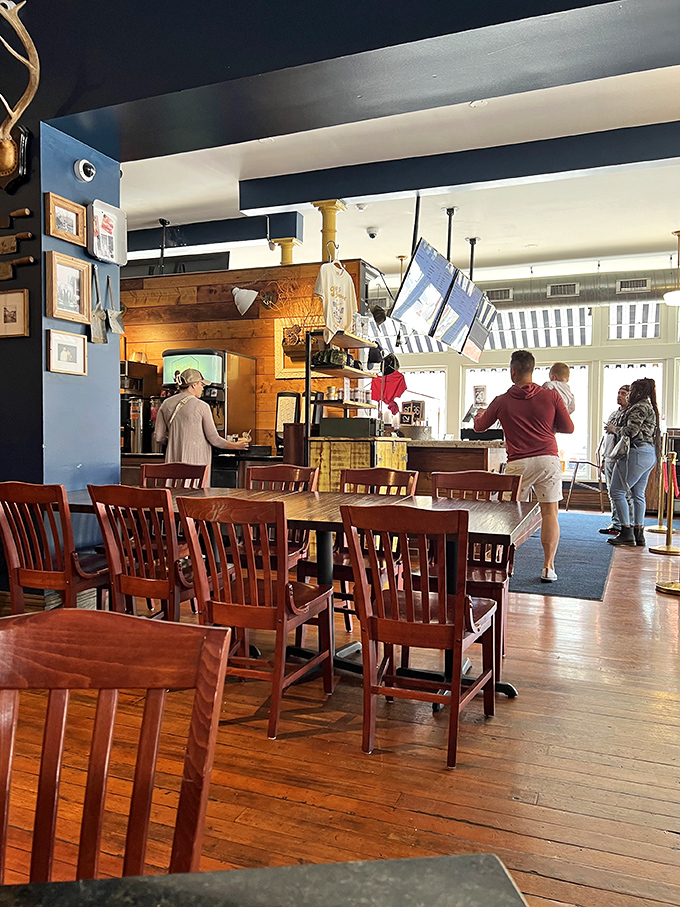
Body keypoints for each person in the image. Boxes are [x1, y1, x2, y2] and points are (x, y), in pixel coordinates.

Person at [474, 350, 574, 583]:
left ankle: (503, 564)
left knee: (508, 514)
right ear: (533, 370)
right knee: (550, 513)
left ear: (513, 371)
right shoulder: (551, 397)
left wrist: (480, 414)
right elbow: (568, 428)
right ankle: (548, 567)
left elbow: (479, 426)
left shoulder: (501, 401)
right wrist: (548, 426)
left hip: (518, 463)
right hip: (548, 460)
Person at [154, 368, 249, 466]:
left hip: (172, 463)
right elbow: (214, 439)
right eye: (201, 384)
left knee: (174, 481)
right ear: (194, 385)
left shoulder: (166, 404)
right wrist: (236, 446)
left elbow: (158, 437)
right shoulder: (202, 406)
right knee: (194, 482)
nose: (203, 388)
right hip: (196, 464)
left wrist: (176, 440)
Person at [606, 377, 660, 548]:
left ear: (638, 392)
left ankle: (626, 531)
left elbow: (631, 431)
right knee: (638, 495)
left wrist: (614, 429)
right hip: (648, 453)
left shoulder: (639, 407)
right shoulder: (650, 406)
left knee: (617, 492)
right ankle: (639, 532)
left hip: (635, 453)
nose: (628, 395)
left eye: (630, 391)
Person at [599, 384, 632, 535]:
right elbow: (608, 438)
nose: (619, 395)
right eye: (618, 392)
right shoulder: (613, 414)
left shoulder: (630, 415)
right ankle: (616, 523)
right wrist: (604, 459)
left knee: (624, 493)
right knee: (612, 493)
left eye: (623, 393)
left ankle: (627, 524)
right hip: (610, 457)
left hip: (623, 458)